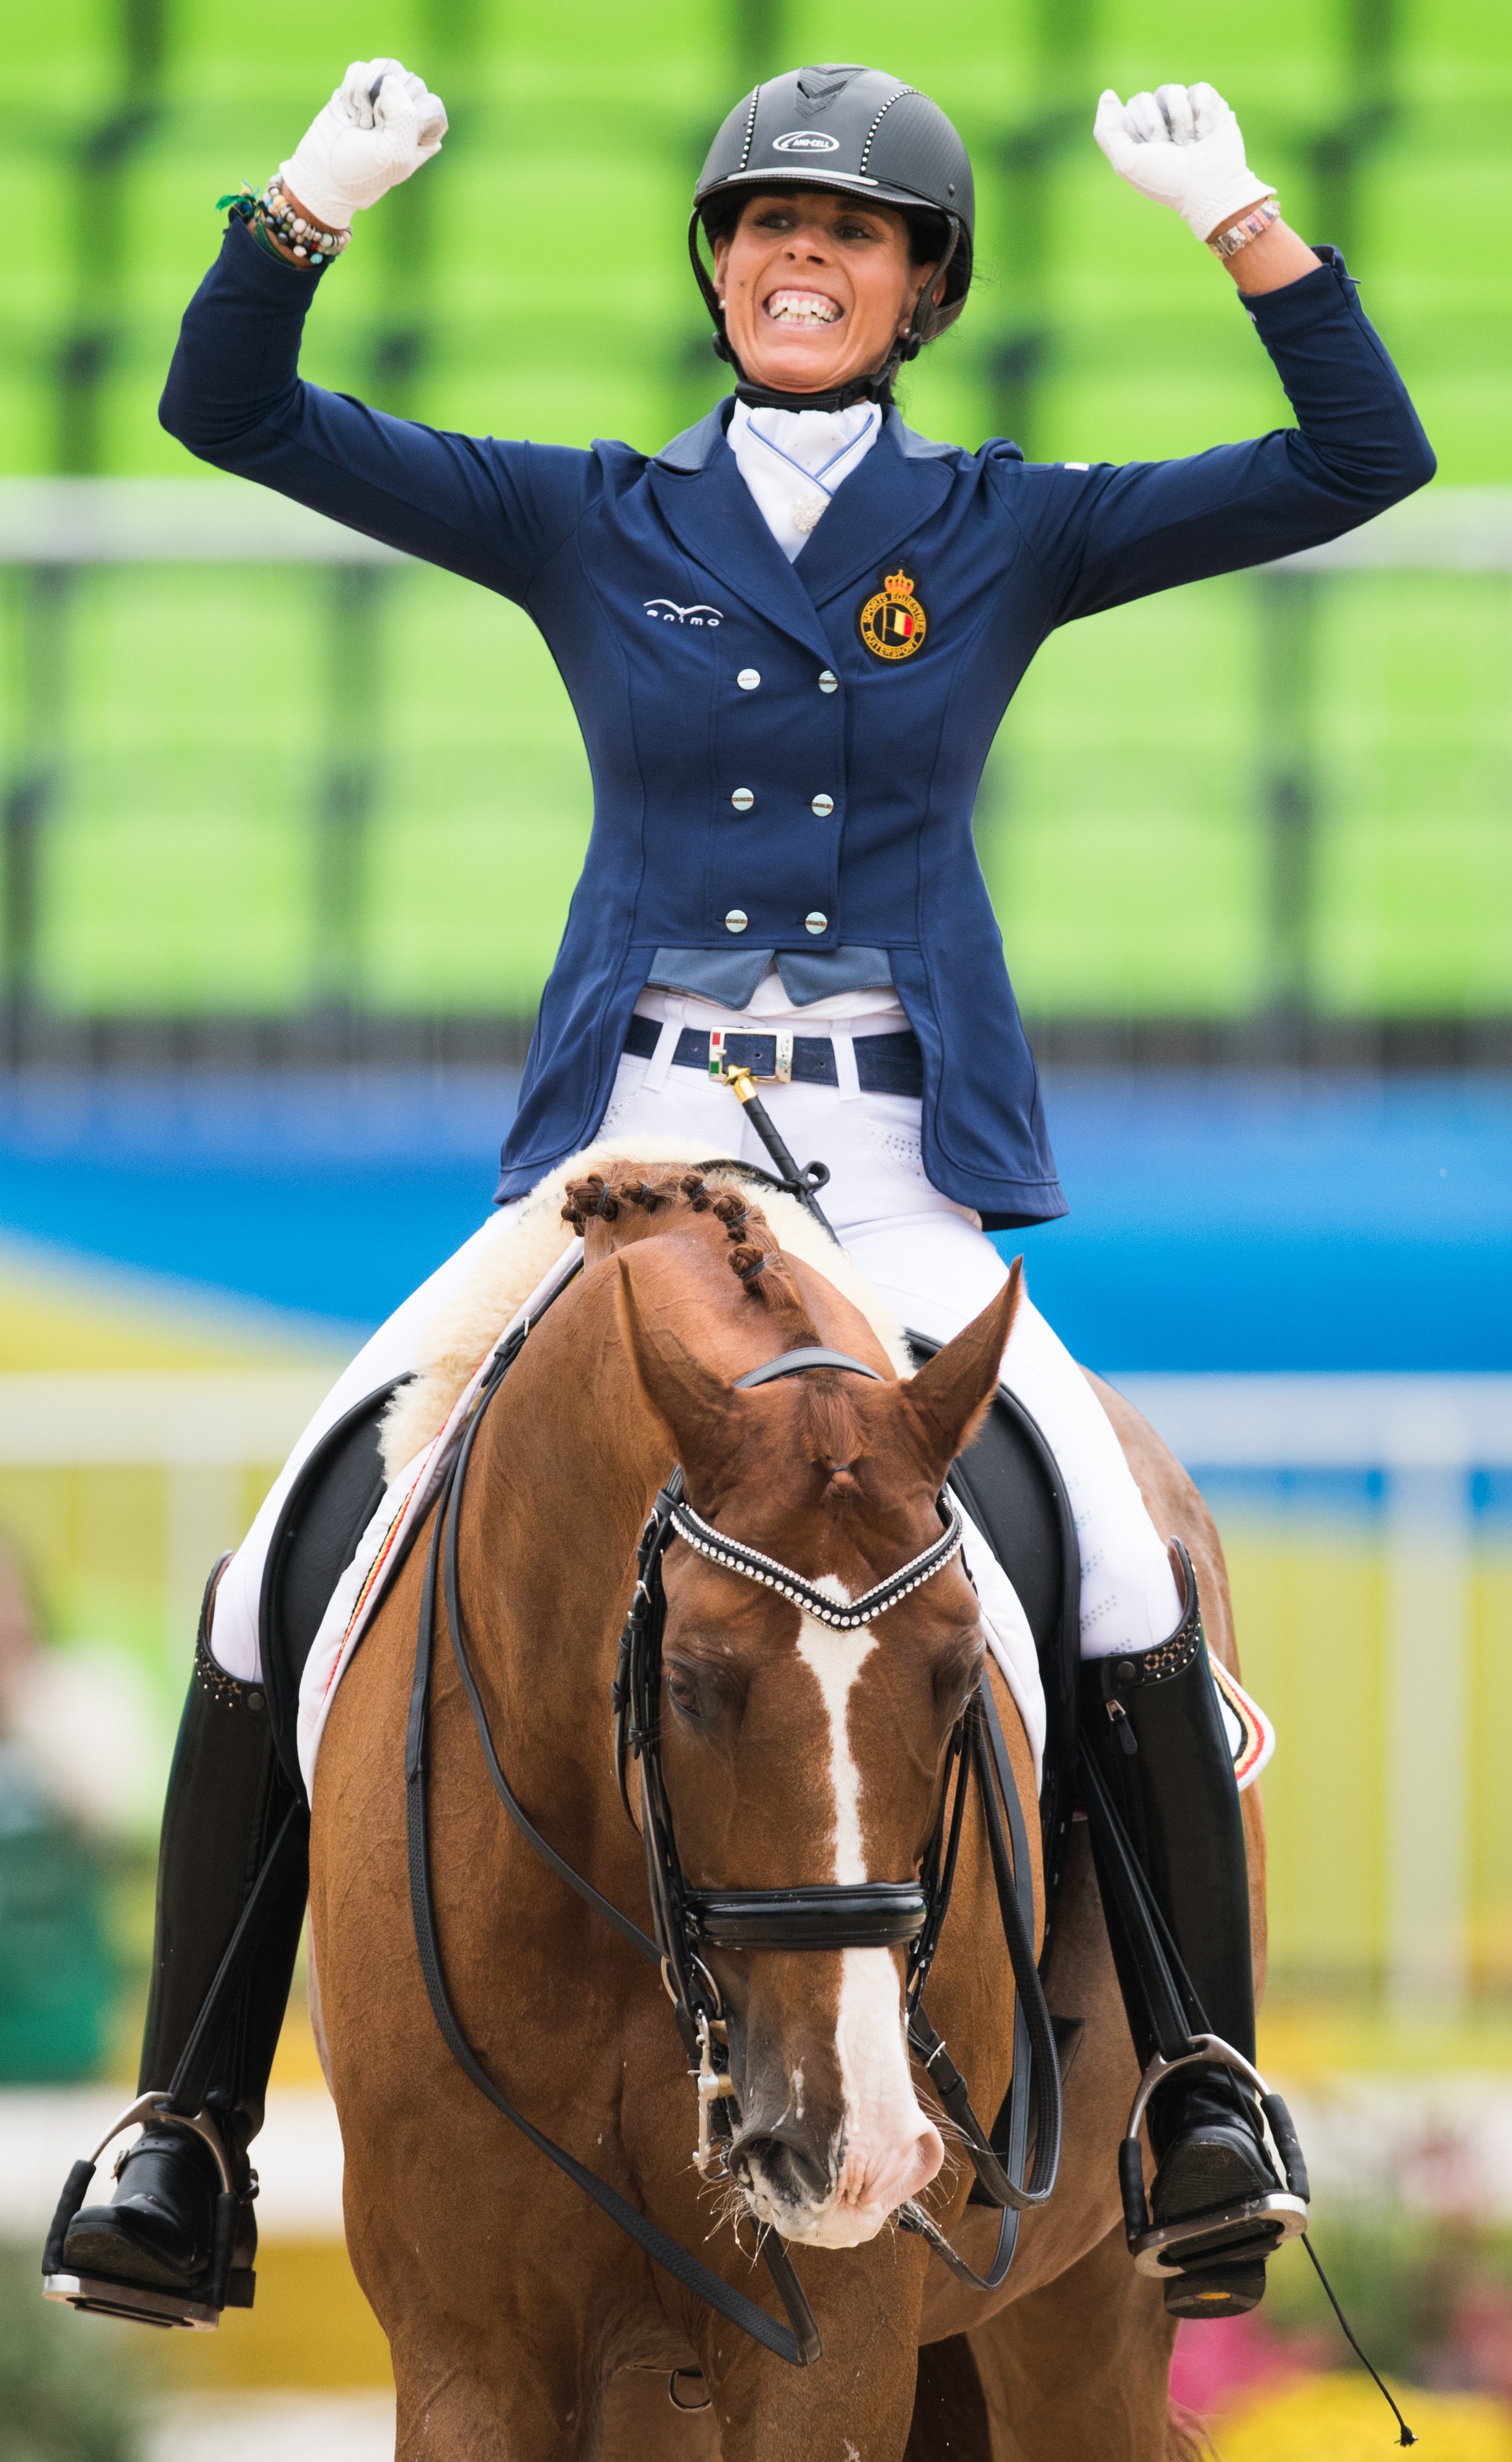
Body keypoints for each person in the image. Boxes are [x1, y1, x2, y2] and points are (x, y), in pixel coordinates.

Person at [53, 61, 1432, 2328]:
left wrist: (1244, 224)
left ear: (918, 289)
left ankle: (1198, 2082)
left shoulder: (1009, 522)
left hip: (886, 1166)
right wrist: (306, 202)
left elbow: (1359, 461)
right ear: (714, 270)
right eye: (763, 224)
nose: (800, 255)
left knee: (1105, 1554)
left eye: (852, 232)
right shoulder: (595, 515)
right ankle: (184, 2128)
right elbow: (238, 414)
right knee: (280, 1556)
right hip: (629, 1158)